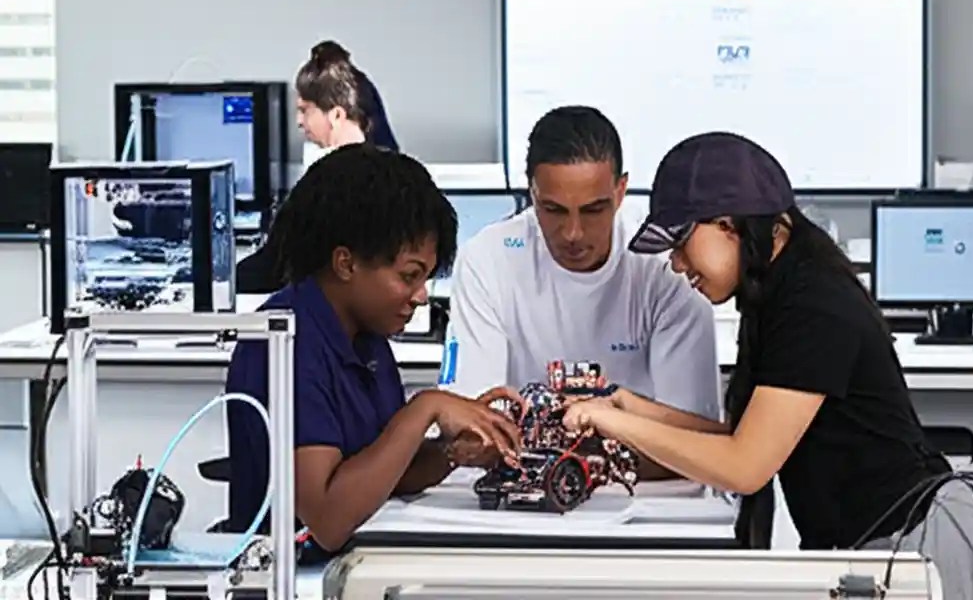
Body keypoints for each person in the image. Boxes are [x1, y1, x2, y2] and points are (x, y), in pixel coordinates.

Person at [562, 131, 949, 549]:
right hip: (871, 540)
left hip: (907, 541)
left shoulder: (814, 304)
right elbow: (741, 436)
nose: (675, 264)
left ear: (729, 222)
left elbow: (745, 466)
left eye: (681, 242)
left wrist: (612, 422)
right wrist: (631, 406)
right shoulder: (774, 288)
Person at [223, 143, 521, 554]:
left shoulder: (366, 337)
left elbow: (384, 472)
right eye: (409, 276)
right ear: (346, 263)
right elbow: (327, 519)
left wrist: (454, 453)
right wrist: (426, 408)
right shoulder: (286, 341)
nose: (420, 296)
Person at [438, 106, 721, 476]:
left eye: (593, 210)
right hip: (526, 499)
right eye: (553, 209)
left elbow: (699, 443)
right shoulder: (488, 259)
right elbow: (467, 424)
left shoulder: (665, 264)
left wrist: (544, 450)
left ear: (620, 192)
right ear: (531, 192)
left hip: (651, 500)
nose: (573, 233)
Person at [237, 40, 399, 293]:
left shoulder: (326, 191)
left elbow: (271, 268)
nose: (299, 122)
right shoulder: (390, 178)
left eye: (305, 110)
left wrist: (207, 282)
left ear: (336, 115)